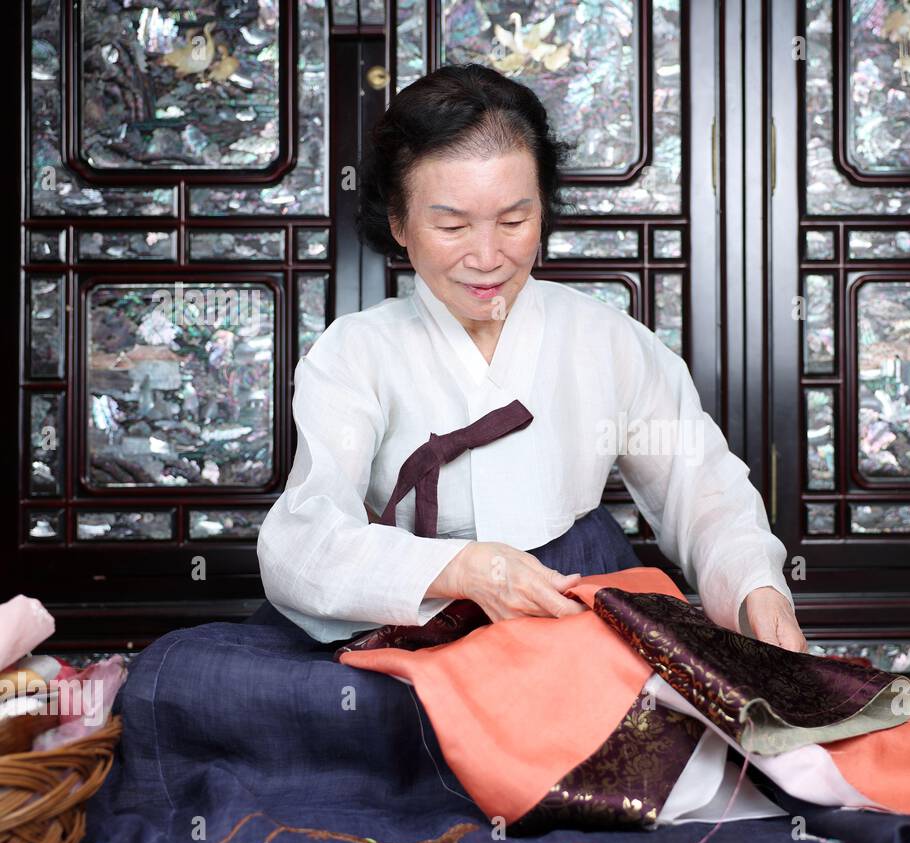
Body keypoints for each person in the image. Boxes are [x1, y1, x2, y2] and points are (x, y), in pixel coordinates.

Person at [254, 63, 806, 653]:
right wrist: (463, 569)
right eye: (452, 225)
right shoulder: (355, 352)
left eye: (514, 220)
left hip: (575, 600)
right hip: (424, 609)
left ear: (542, 210)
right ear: (400, 223)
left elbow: (703, 493)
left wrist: (758, 592)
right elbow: (301, 540)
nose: (487, 257)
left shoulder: (606, 338)